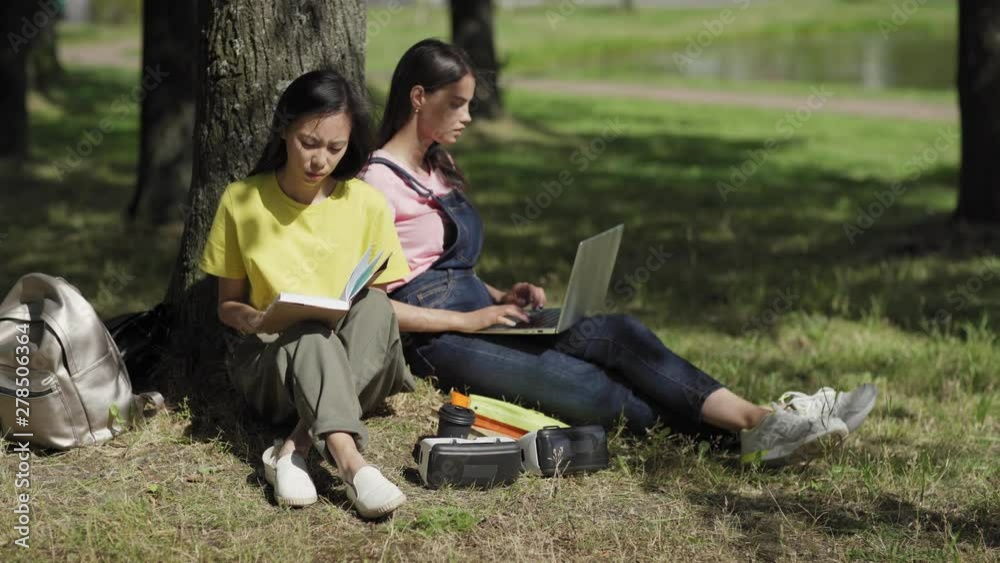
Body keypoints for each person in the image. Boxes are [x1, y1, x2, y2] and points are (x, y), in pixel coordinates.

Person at [360, 39, 878, 467]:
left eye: (471, 103)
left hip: (480, 312)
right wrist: (472, 321)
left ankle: (763, 424)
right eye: (457, 103)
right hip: (436, 342)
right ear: (418, 96)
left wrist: (501, 295)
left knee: (618, 333)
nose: (469, 116)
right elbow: (375, 304)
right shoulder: (375, 183)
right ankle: (763, 427)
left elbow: (447, 265)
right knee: (592, 390)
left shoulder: (438, 163)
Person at [200, 69, 413, 518]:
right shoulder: (242, 200)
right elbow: (226, 305)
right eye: (308, 143)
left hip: (353, 361)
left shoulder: (367, 203)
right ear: (283, 129)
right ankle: (353, 466)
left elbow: (373, 312)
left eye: (335, 148)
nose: (320, 160)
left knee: (373, 305)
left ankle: (292, 449)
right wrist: (255, 320)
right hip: (272, 364)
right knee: (309, 334)